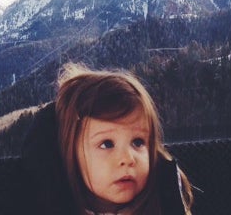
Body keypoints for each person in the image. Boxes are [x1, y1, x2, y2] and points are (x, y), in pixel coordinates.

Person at [21, 63, 195, 215]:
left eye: (138, 142)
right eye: (107, 144)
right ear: (71, 154)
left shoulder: (165, 204)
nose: (127, 158)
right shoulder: (48, 205)